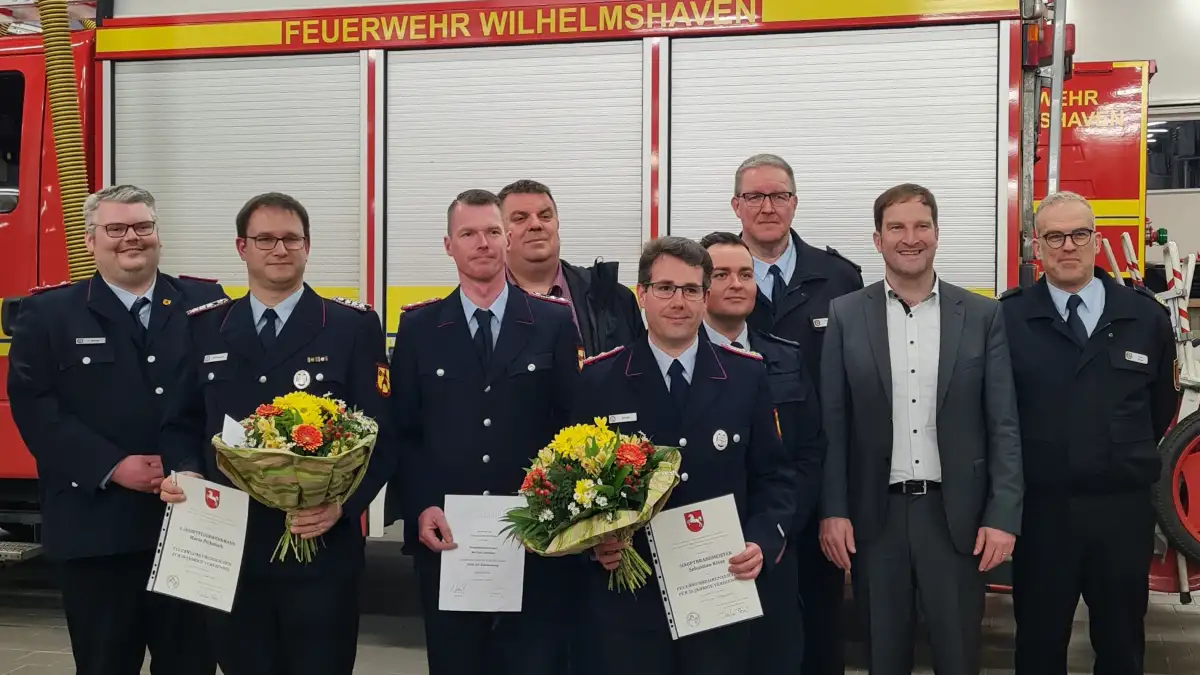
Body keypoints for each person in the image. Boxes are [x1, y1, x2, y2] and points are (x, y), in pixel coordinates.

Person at [157, 192, 395, 675]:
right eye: (265, 239)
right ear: (242, 248)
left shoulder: (351, 326)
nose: (279, 249)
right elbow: (179, 421)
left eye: (291, 239)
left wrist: (343, 507)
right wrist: (182, 472)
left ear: (308, 247)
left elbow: (383, 434)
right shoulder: (203, 328)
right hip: (229, 550)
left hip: (321, 549)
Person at [6, 185, 221, 675]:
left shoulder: (206, 304)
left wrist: (189, 466)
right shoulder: (49, 314)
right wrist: (111, 466)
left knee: (192, 664)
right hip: (95, 529)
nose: (132, 239)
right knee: (105, 664)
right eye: (117, 229)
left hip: (189, 527)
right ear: (90, 240)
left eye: (143, 227)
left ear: (158, 236)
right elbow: (35, 407)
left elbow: (224, 397)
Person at [818, 183, 1023, 675]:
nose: (910, 238)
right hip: (875, 520)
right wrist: (834, 511)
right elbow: (833, 423)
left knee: (958, 658)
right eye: (896, 228)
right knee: (882, 657)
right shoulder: (846, 314)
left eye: (921, 226)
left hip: (955, 520)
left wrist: (1003, 514)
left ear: (937, 234)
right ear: (878, 239)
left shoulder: (981, 314)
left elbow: (1004, 424)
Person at [573, 235, 797, 675]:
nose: (679, 301)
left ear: (705, 296)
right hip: (630, 597)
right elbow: (574, 483)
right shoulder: (598, 380)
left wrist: (762, 541)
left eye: (691, 289)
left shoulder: (745, 375)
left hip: (718, 591)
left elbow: (775, 477)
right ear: (642, 294)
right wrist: (594, 544)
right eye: (665, 288)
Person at [389, 189, 582, 675]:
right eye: (468, 233)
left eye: (493, 231)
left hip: (534, 540)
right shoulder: (417, 327)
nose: (483, 243)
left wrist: (553, 510)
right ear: (448, 245)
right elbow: (403, 432)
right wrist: (421, 506)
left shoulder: (553, 322)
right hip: (448, 538)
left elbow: (572, 427)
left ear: (509, 238)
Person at [1000, 191, 1178, 675]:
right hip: (1041, 515)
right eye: (1054, 236)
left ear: (1096, 241)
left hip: (1121, 513)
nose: (1068, 246)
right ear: (1037, 247)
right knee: (1038, 645)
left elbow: (1162, 405)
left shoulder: (1144, 316)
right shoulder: (1008, 318)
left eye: (1079, 234)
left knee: (1122, 646)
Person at [731, 153, 863, 673]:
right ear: (736, 205)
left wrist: (838, 499)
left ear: (794, 202)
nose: (768, 207)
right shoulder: (710, 270)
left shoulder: (839, 279)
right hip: (740, 496)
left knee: (821, 628)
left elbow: (855, 396)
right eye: (755, 197)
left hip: (815, 489)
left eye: (779, 195)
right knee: (739, 635)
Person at [698, 231, 826, 674]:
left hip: (772, 549)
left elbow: (809, 451)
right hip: (698, 556)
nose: (737, 284)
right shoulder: (680, 362)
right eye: (722, 274)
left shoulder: (785, 358)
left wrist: (778, 530)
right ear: (701, 286)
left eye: (746, 274)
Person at [499, 178, 645, 356]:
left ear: (557, 224)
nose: (536, 225)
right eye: (520, 218)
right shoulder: (477, 306)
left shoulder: (614, 300)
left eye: (545, 216)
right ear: (499, 231)